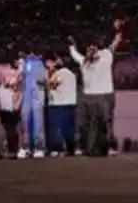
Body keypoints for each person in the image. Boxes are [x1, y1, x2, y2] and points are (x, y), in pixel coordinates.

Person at [69, 19, 123, 156]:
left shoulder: (106, 55)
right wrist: (71, 43)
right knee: (91, 124)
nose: (91, 50)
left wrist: (118, 30)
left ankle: (110, 147)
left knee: (106, 122)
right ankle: (92, 148)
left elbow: (116, 42)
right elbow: (74, 53)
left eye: (93, 48)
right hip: (89, 97)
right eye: (89, 48)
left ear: (97, 48)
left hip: (105, 95)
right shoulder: (84, 62)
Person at [45, 54, 77, 156]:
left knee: (57, 128)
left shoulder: (59, 74)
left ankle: (57, 149)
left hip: (58, 104)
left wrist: (48, 74)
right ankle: (71, 149)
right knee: (69, 128)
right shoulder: (72, 74)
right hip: (70, 103)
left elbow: (50, 84)